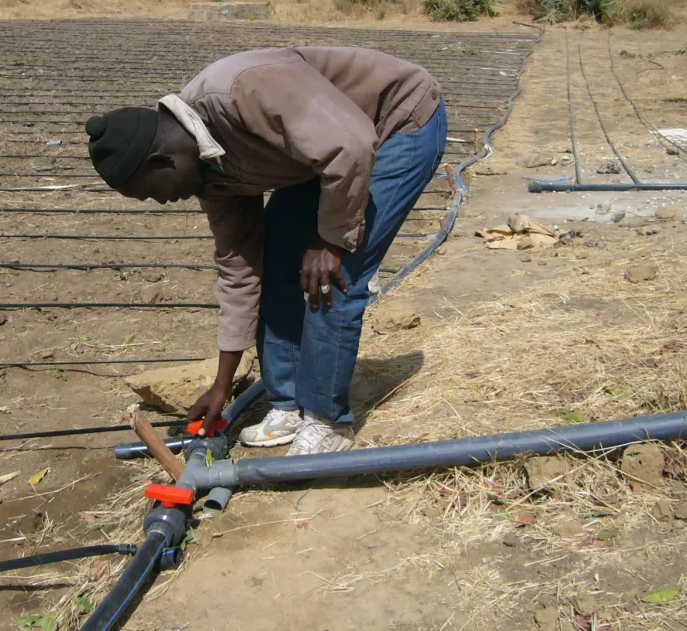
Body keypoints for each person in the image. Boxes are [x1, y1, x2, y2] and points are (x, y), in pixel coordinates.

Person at [85, 46, 447, 455]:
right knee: (277, 260)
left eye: (151, 194)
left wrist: (329, 240)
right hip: (320, 157)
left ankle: (328, 422)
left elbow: (352, 147)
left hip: (394, 123)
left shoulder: (242, 92)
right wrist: (222, 384)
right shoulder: (208, 174)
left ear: (162, 161)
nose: (162, 203)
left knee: (334, 274)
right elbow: (241, 271)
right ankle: (289, 404)